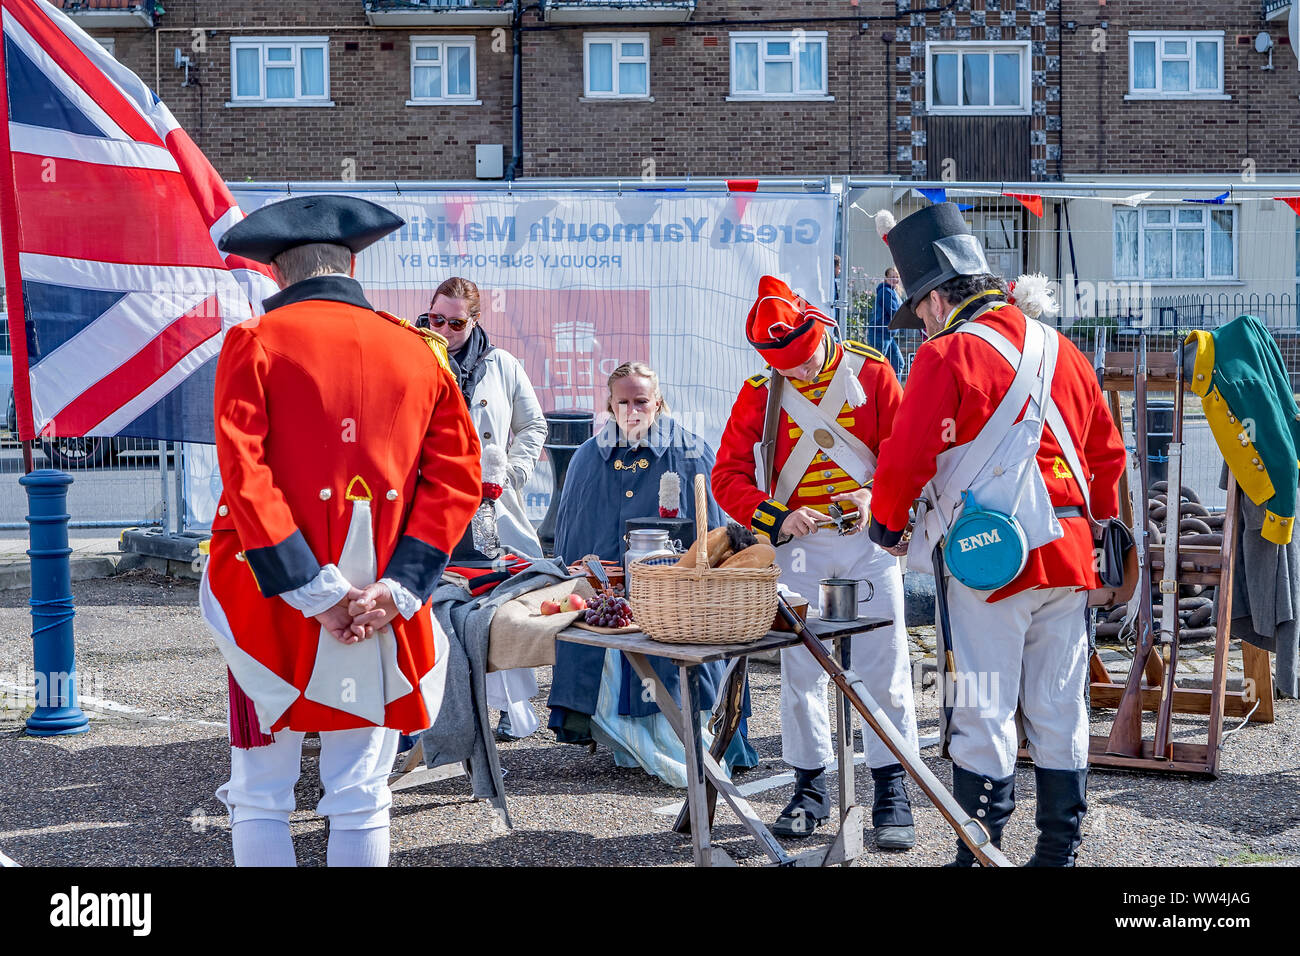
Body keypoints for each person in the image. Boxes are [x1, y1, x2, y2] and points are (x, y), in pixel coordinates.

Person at [204, 195, 482, 867]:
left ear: (276, 273)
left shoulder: (253, 341)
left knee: (261, 789)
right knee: (361, 791)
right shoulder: (422, 351)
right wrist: (398, 588)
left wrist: (313, 591)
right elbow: (457, 480)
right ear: (353, 263)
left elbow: (246, 477)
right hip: (383, 599)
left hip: (267, 589)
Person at [867, 202, 1126, 866]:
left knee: (979, 708)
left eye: (918, 306)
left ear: (933, 298)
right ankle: (1058, 853)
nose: (920, 319)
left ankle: (979, 850)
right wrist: (1096, 523)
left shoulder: (945, 355)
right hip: (1068, 559)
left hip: (988, 566)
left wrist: (887, 526)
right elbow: (1106, 456)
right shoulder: (1063, 349)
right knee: (1058, 706)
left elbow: (904, 458)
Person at [712, 275, 920, 848]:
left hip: (867, 542)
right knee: (801, 672)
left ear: (821, 333)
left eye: (804, 364)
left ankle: (891, 787)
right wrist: (775, 516)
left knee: (885, 665)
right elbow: (726, 475)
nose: (798, 375)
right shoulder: (759, 390)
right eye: (789, 368)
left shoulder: (873, 372)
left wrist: (875, 497)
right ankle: (808, 788)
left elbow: (905, 454)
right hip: (798, 547)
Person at [547, 362, 759, 786]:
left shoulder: (691, 453)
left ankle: (673, 738)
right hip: (610, 600)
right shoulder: (589, 456)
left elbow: (712, 536)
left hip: (674, 602)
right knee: (603, 641)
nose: (632, 410)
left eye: (640, 401)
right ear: (609, 404)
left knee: (670, 653)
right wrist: (592, 574)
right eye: (622, 402)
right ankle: (619, 735)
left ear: (657, 401)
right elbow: (574, 532)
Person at [420, 276, 548, 741]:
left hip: (493, 507)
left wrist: (510, 472)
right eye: (436, 319)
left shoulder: (502, 364)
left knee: (498, 609)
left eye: (456, 322)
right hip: (432, 507)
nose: (445, 330)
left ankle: (512, 708)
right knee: (435, 609)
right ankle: (434, 712)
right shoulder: (413, 354)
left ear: (475, 320)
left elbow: (533, 424)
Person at [869, 267, 907, 376]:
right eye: (892, 277)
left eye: (896, 277)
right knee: (877, 366)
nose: (895, 279)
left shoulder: (893, 292)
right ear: (886, 278)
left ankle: (896, 391)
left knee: (898, 363)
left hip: (888, 335)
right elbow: (894, 312)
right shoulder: (886, 292)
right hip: (880, 334)